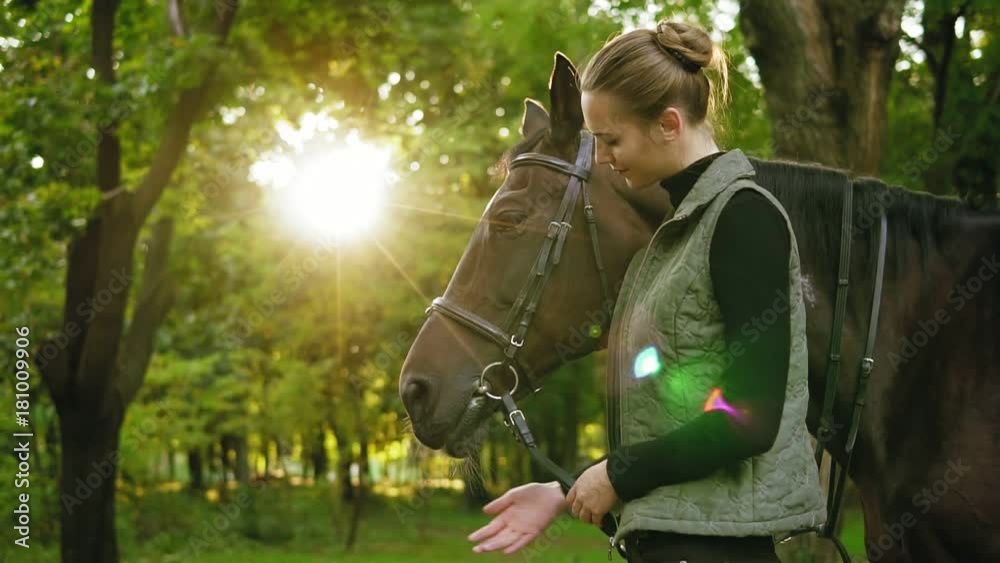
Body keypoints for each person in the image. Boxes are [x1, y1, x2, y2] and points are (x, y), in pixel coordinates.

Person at [468, 20, 826, 562]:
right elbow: (669, 419)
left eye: (611, 140)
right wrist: (567, 490)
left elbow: (747, 419)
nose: (603, 159)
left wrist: (616, 473)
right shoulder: (673, 238)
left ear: (667, 124)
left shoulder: (744, 219)